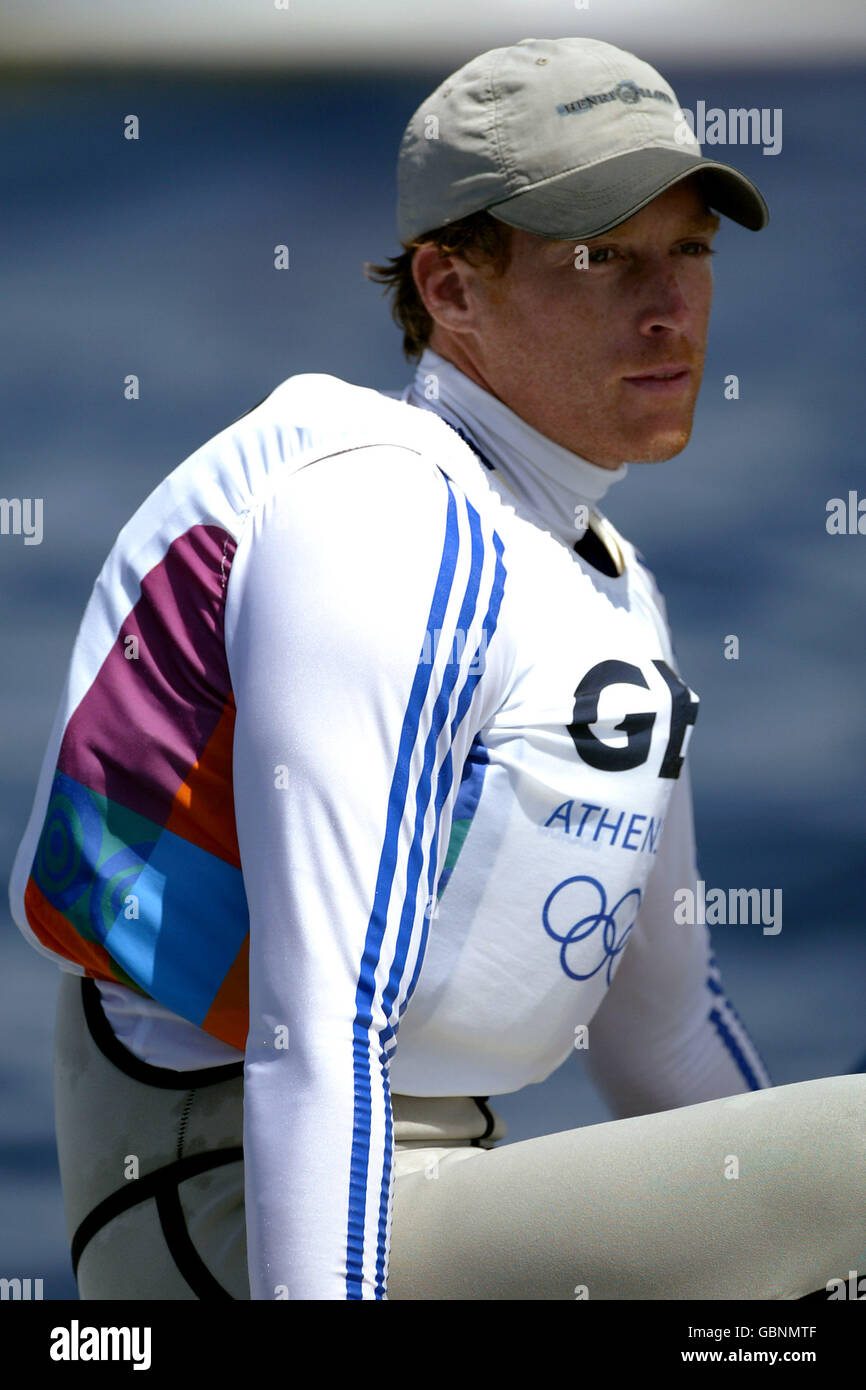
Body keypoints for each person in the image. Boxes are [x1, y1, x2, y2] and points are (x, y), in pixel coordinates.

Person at [9, 35, 866, 1302]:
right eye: (600, 254)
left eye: (687, 249)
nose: (666, 303)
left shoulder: (611, 582)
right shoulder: (378, 525)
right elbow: (321, 1037)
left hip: (427, 1191)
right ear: (449, 288)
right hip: (237, 1221)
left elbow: (665, 1039)